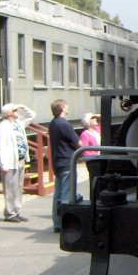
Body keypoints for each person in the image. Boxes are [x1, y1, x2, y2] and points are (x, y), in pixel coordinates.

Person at [0, 102, 36, 223]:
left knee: (18, 187)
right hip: (10, 162)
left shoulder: (18, 123)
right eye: (15, 110)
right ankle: (9, 213)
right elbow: (1, 146)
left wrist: (24, 107)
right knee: (9, 188)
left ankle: (17, 211)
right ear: (8, 113)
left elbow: (31, 115)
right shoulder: (3, 127)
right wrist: (4, 164)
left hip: (20, 160)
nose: (17, 111)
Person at [48, 99, 81, 233]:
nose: (68, 107)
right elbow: (79, 143)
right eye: (66, 105)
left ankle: (57, 222)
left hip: (57, 162)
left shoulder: (53, 124)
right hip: (67, 161)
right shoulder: (65, 124)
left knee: (58, 194)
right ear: (62, 108)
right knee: (67, 195)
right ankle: (65, 223)